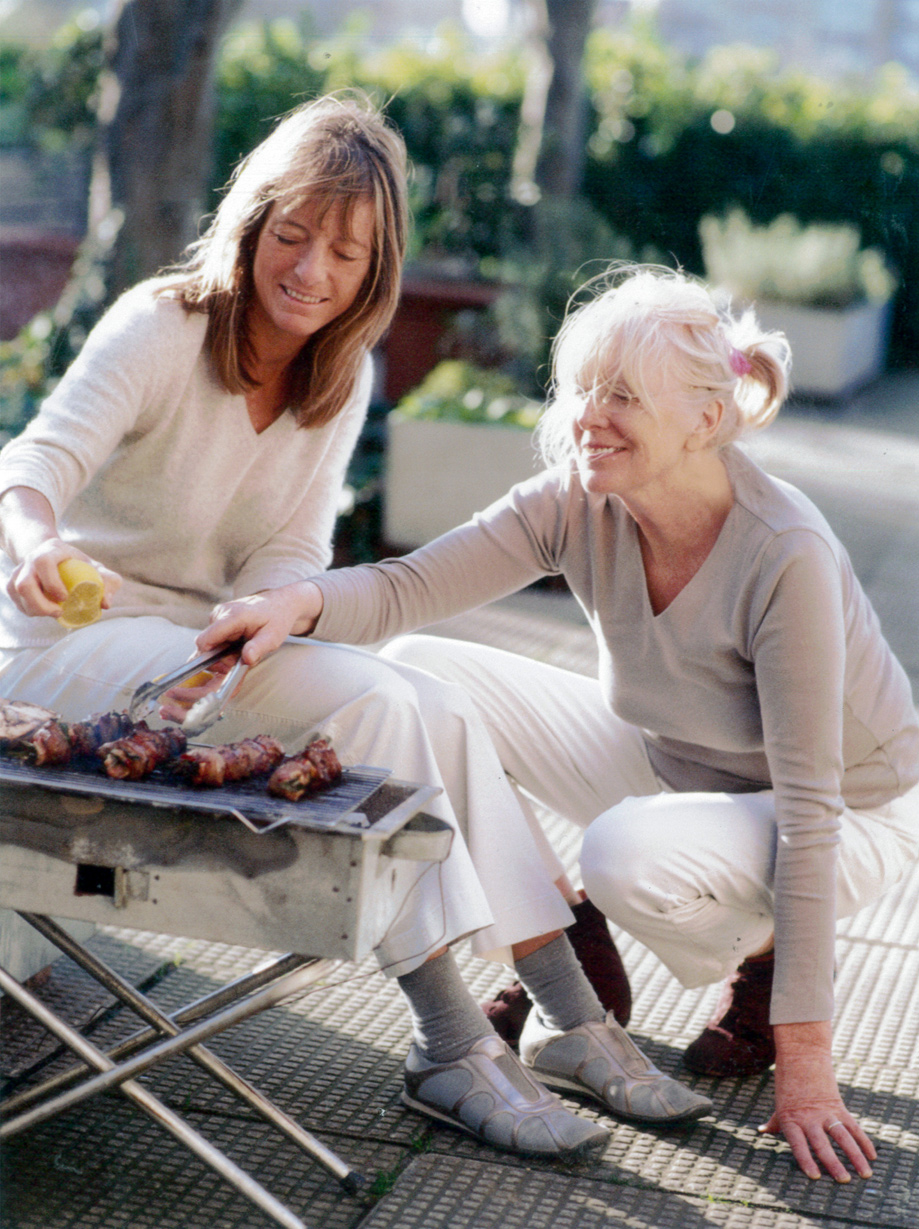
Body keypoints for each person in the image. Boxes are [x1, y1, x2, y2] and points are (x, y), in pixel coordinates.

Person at [0, 108, 710, 1162]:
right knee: (377, 700)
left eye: (347, 250)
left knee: (435, 702)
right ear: (254, 221)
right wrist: (32, 545)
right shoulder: (163, 325)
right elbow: (34, 465)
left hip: (198, 655)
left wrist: (270, 617)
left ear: (376, 265)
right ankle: (449, 1040)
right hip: (57, 654)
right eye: (295, 233)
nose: (311, 270)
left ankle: (573, 1020)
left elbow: (292, 549)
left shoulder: (342, 375)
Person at [195, 264, 919, 1185]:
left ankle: (765, 954)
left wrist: (807, 1061)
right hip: (682, 763)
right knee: (421, 667)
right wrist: (293, 601)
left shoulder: (786, 554)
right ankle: (567, 952)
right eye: (581, 388)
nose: (586, 414)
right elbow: (409, 587)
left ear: (703, 419)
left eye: (621, 396)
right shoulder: (580, 497)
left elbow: (810, 809)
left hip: (849, 810)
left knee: (624, 854)